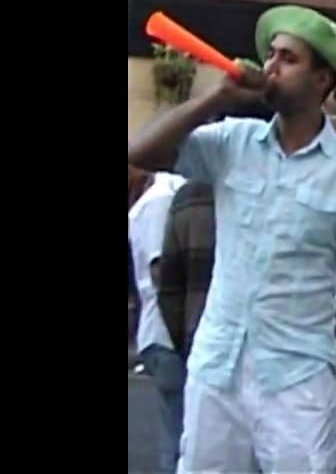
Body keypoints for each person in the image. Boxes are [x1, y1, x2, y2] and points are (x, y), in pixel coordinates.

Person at [127, 5, 336, 472]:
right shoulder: (233, 141)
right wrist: (213, 99)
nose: (270, 66)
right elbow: (142, 152)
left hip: (298, 379)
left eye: (288, 58)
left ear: (322, 81)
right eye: (270, 54)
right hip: (217, 367)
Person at [128, 170, 187, 470]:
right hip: (168, 334)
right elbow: (160, 270)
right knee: (181, 440)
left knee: (180, 437)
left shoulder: (157, 196)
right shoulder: (159, 201)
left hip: (161, 332)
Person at [158, 179, 216, 360]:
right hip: (285, 339)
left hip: (204, 334)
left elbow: (169, 288)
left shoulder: (191, 196)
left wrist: (184, 339)